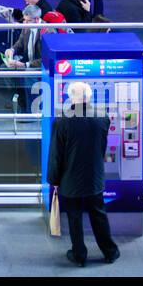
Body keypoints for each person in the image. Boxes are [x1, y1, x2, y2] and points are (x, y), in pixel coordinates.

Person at [48, 80, 119, 267]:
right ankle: (110, 251)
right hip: (94, 176)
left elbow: (56, 155)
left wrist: (53, 179)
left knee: (74, 216)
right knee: (98, 214)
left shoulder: (62, 121)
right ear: (89, 97)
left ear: (70, 98)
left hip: (70, 178)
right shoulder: (102, 117)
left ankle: (79, 254)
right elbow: (102, 148)